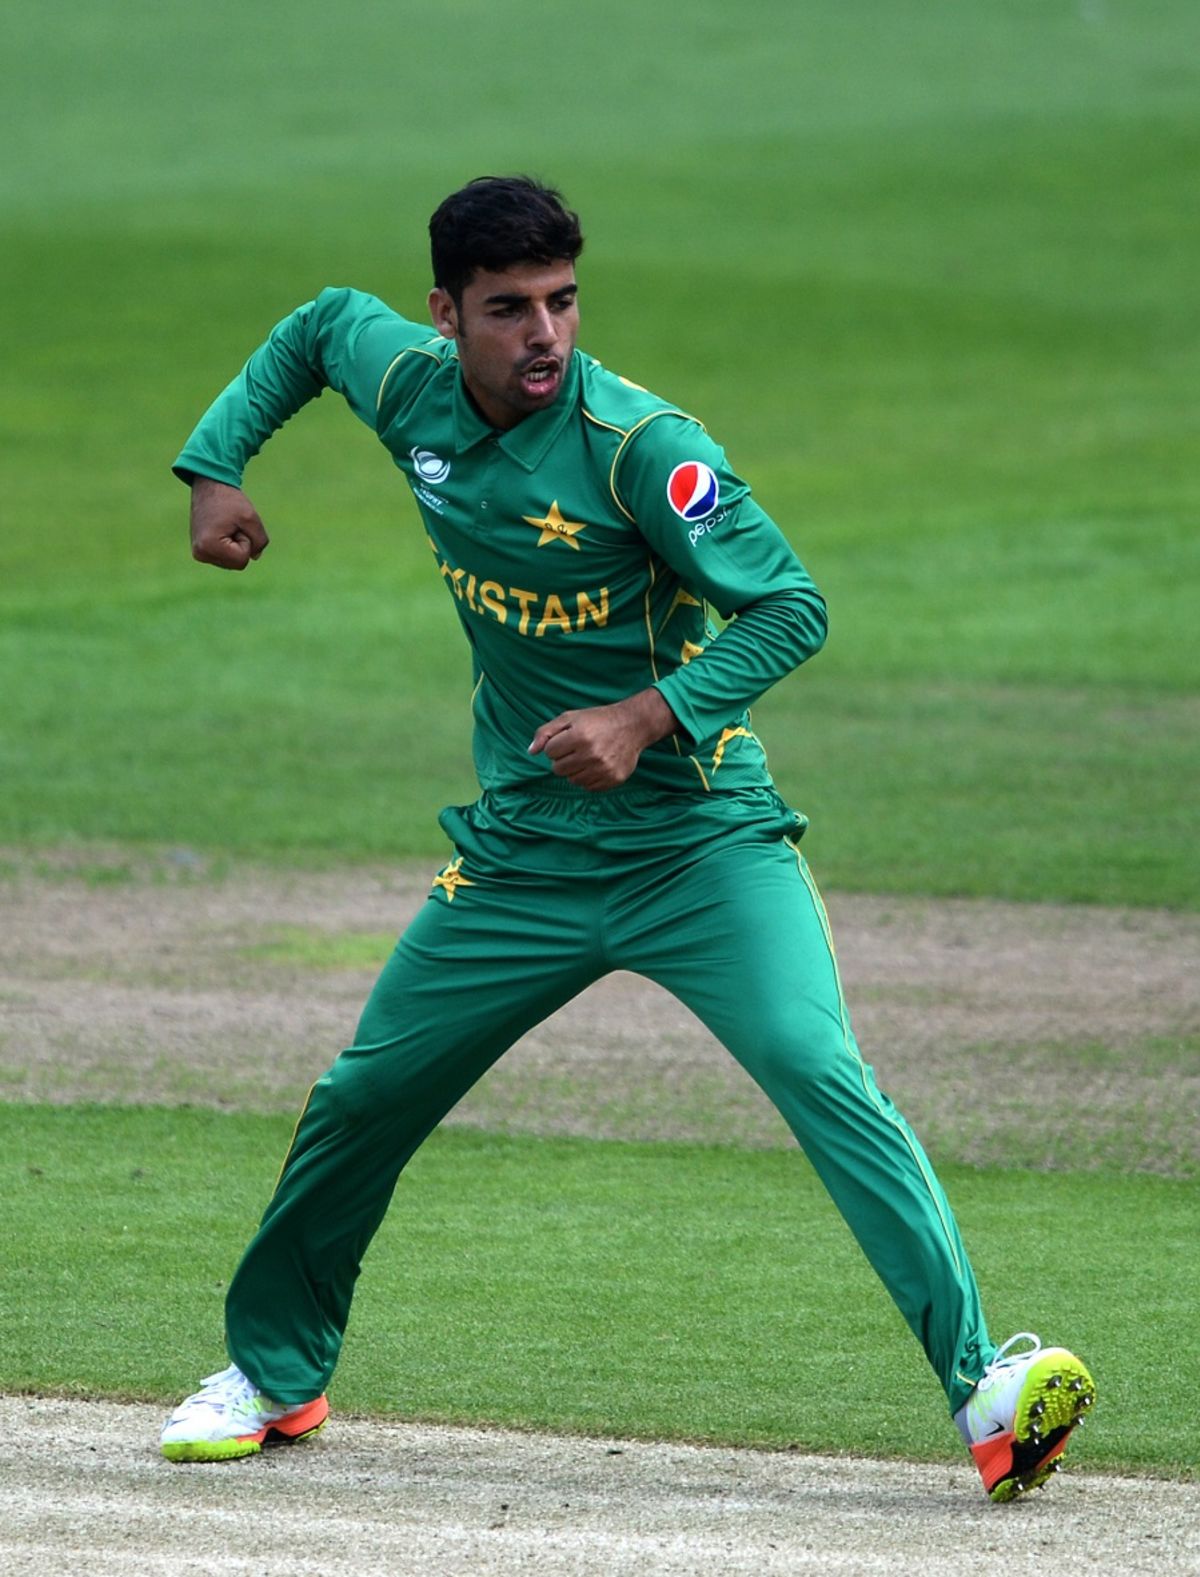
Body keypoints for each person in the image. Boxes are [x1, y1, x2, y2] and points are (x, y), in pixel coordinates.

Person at [160, 176, 1094, 1499]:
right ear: (447, 316)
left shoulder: (639, 446)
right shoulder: (405, 381)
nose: (544, 333)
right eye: (509, 309)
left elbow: (791, 605)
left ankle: (989, 1388)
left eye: (563, 300)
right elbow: (316, 325)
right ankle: (275, 1369)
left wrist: (648, 715)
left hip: (695, 845)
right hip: (522, 854)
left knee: (815, 1068)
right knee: (362, 1096)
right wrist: (213, 466)